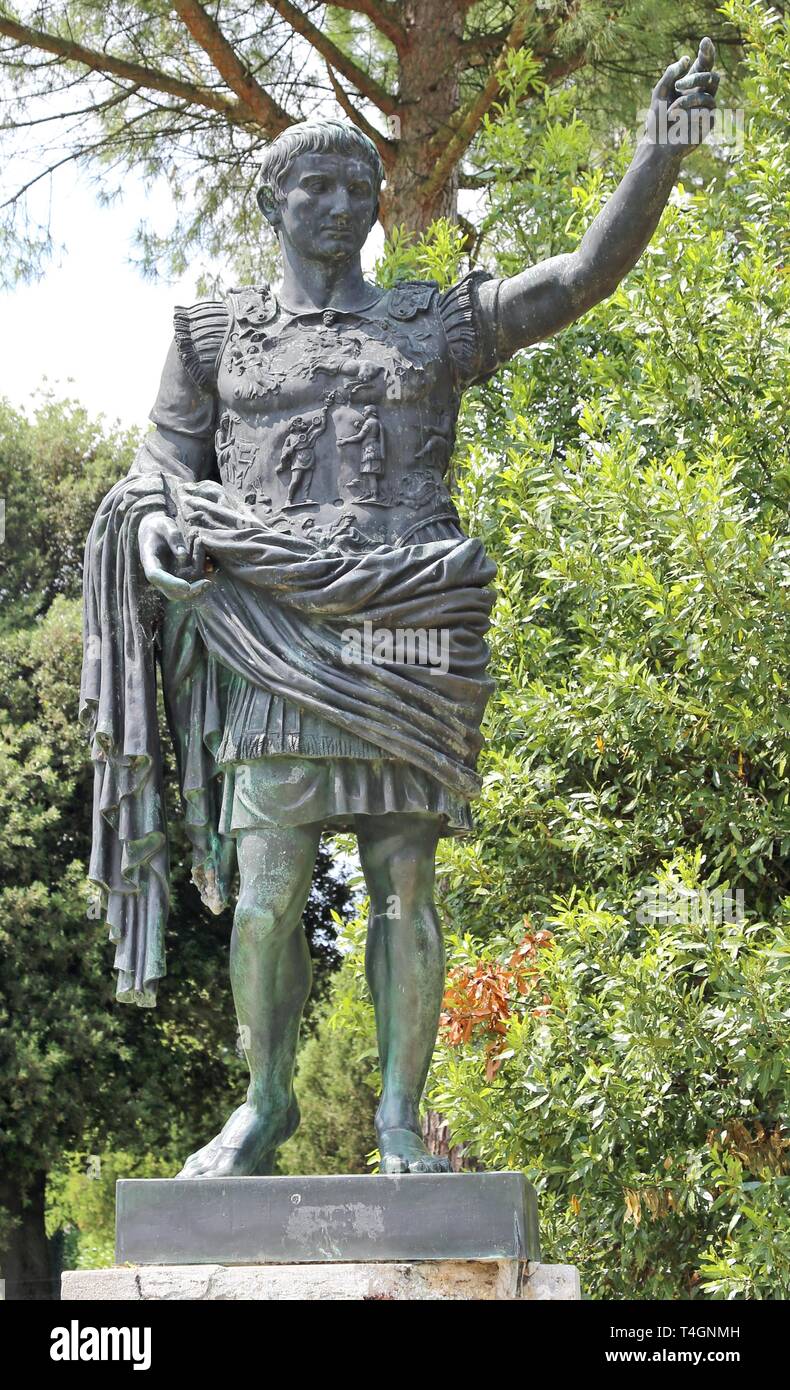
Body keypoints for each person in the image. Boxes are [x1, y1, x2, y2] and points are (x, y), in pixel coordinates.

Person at [81, 41, 719, 1177]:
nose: (337, 204)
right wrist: (158, 531)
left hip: (409, 633)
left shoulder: (432, 323)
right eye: (312, 186)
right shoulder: (211, 333)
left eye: (355, 186)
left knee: (404, 886)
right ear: (269, 198)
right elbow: (155, 474)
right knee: (270, 889)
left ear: (378, 206)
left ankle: (394, 1123)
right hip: (271, 634)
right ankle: (264, 1103)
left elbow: (572, 279)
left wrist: (658, 153)